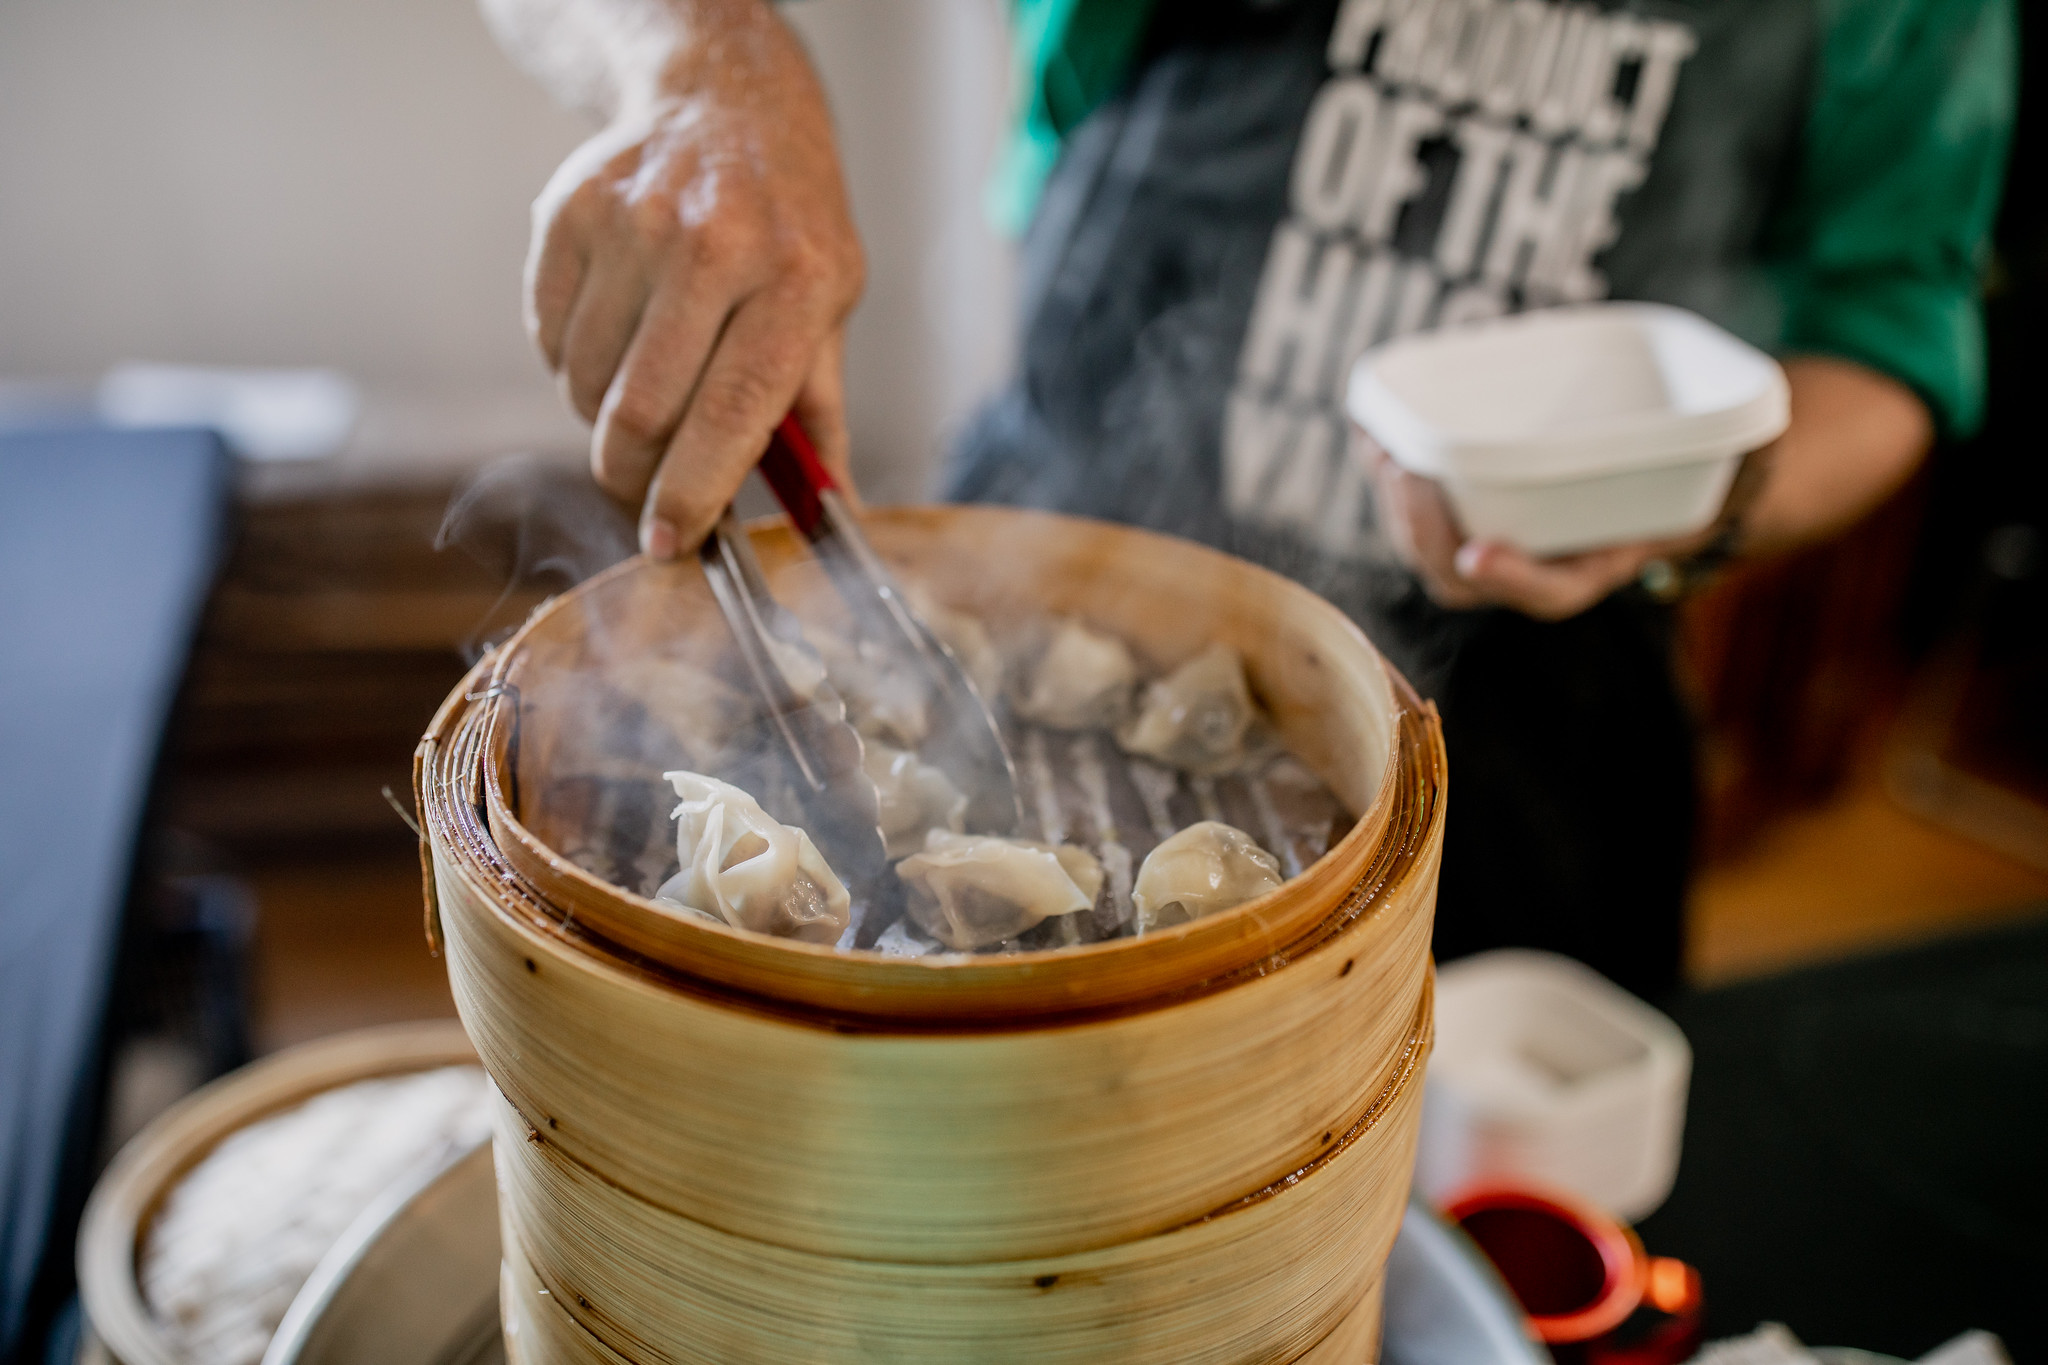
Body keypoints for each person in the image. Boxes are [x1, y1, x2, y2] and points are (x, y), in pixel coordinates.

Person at [480, 0, 2012, 998]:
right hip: (1020, 568)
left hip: (1529, 723)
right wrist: (706, 74)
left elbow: (1893, 336)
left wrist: (1703, 492)